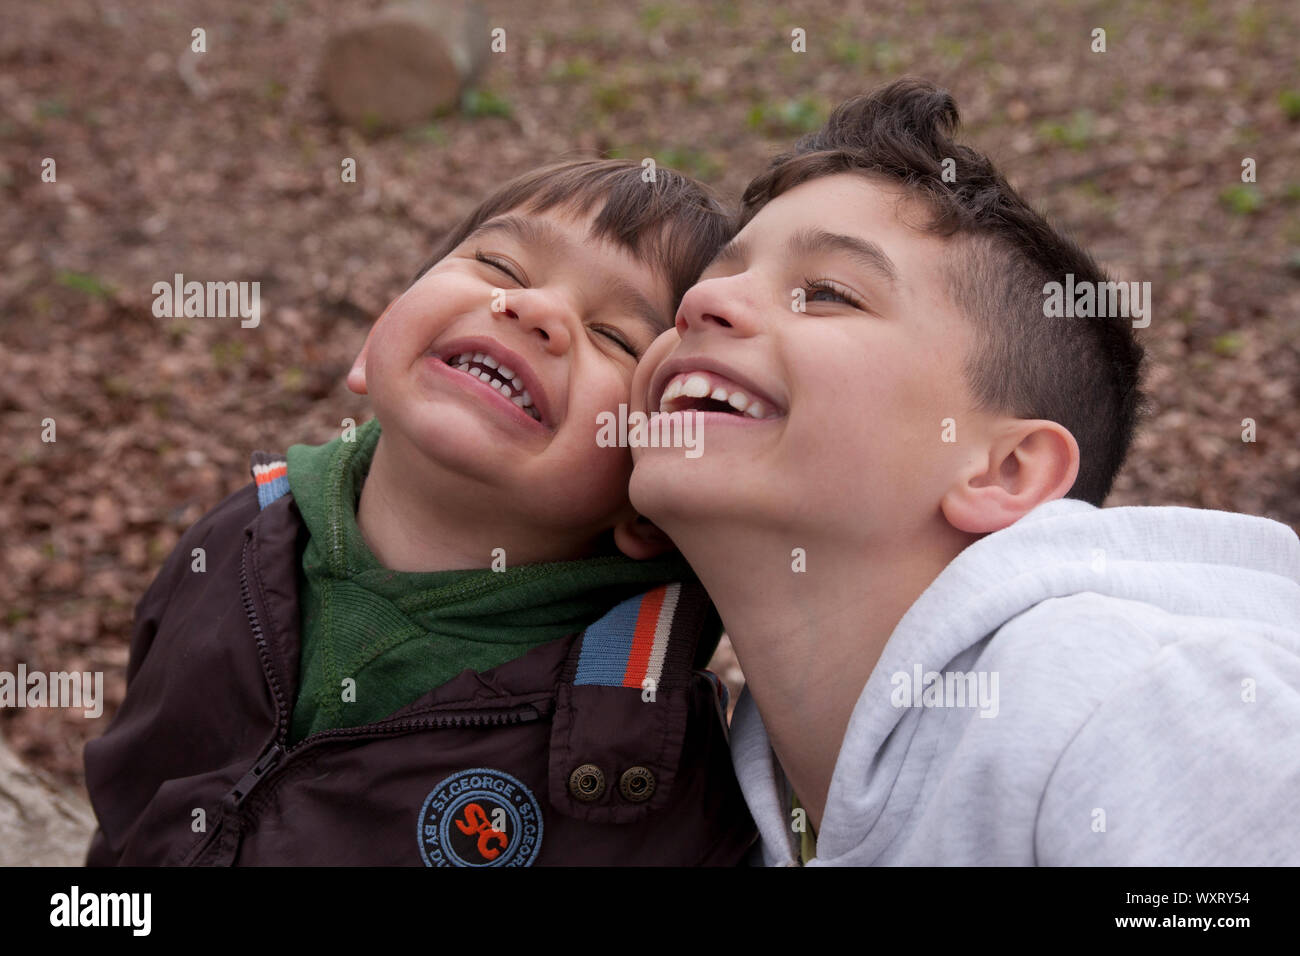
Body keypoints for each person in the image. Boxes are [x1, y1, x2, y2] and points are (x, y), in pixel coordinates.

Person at [627, 79, 1300, 865]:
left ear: (1007, 471)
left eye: (828, 294)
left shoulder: (1137, 699)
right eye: (717, 275)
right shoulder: (730, 802)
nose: (703, 303)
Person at [84, 158, 756, 866]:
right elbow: (132, 788)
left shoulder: (638, 751)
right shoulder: (238, 537)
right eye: (501, 266)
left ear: (650, 501)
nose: (535, 310)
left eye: (616, 336)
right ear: (377, 338)